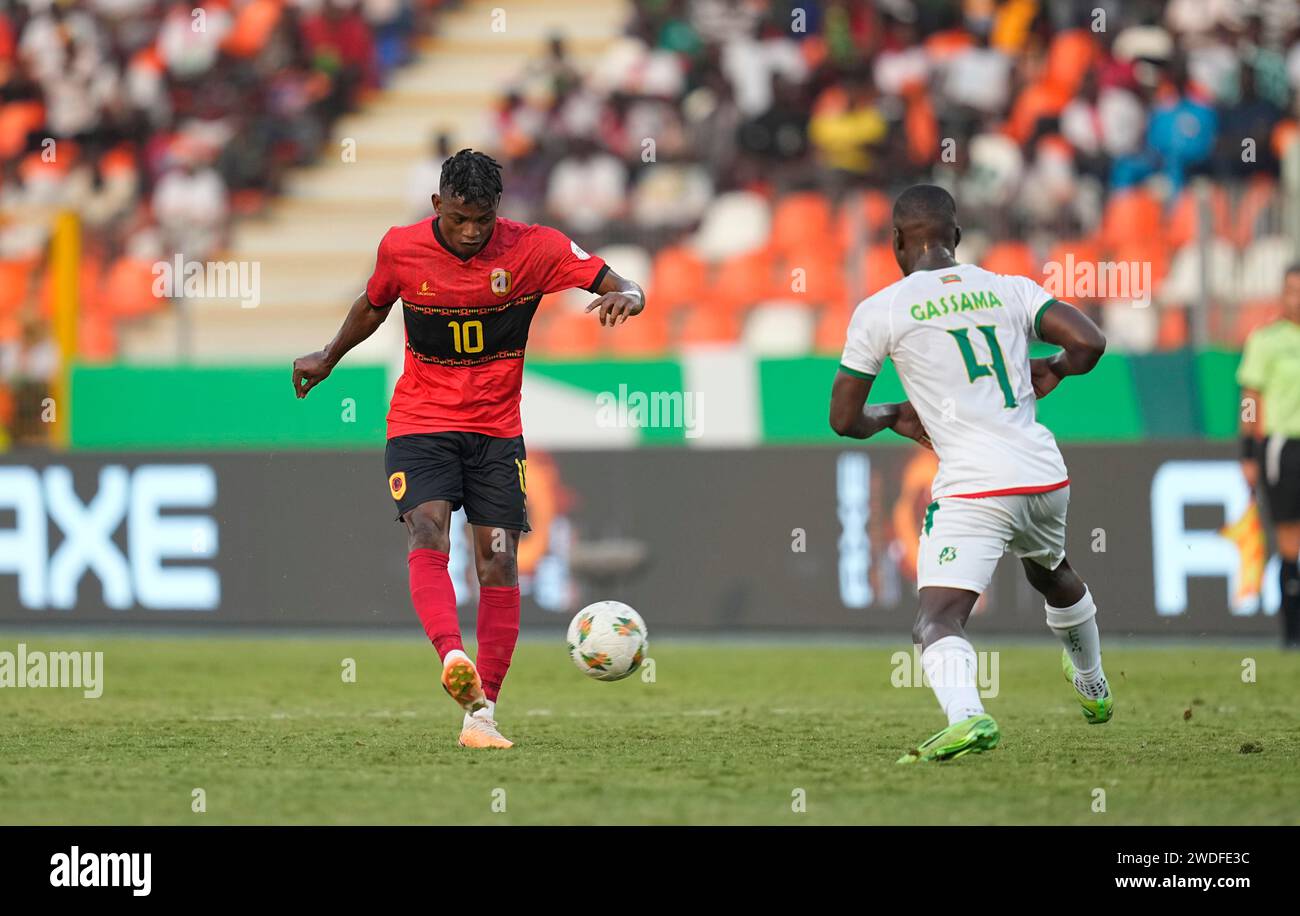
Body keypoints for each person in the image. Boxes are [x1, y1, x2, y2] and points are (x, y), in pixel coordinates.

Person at [291, 149, 646, 747]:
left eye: (483, 219)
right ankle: (452, 656)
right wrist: (328, 357)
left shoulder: (535, 248)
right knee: (426, 529)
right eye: (459, 218)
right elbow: (374, 305)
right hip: (420, 421)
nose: (471, 231)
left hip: (495, 432)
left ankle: (482, 715)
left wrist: (629, 297)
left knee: (498, 560)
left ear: (497, 210)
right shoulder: (401, 249)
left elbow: (620, 281)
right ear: (437, 206)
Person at [829, 184, 1112, 763]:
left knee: (936, 620)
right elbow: (1089, 342)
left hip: (976, 485)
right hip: (1043, 473)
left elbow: (843, 419)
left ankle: (967, 717)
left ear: (896, 243)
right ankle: (1092, 681)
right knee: (1052, 571)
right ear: (957, 238)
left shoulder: (880, 309)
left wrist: (890, 415)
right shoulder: (1009, 287)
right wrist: (1053, 368)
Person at [1238, 263, 1300, 648]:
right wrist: (1249, 453)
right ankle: (1292, 634)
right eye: (1291, 290)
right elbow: (1250, 399)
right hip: (1284, 447)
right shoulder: (1267, 340)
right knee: (1290, 541)